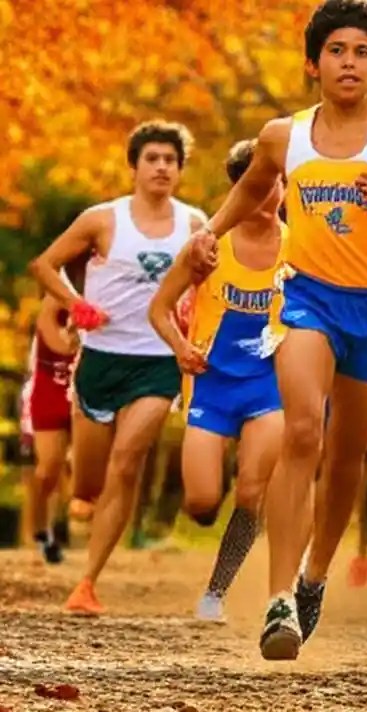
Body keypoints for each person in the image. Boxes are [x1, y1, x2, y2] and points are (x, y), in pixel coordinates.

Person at [188, 0, 367, 660]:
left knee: (347, 458)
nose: (350, 62)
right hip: (306, 299)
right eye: (337, 51)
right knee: (302, 430)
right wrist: (209, 233)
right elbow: (249, 189)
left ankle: (315, 576)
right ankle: (279, 595)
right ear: (313, 63)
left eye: (363, 52)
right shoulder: (282, 136)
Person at [28, 120, 205, 615]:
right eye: (152, 159)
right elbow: (44, 264)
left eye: (171, 160)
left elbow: (214, 277)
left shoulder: (194, 224)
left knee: (127, 462)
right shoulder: (103, 220)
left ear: (180, 170)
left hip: (157, 360)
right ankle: (80, 488)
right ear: (134, 167)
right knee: (87, 484)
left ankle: (87, 583)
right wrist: (75, 302)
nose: (162, 168)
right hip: (101, 360)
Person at [148, 138, 288, 624]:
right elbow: (159, 309)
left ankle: (217, 590)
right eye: (259, 184)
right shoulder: (207, 247)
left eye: (278, 183)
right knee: (203, 502)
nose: (270, 193)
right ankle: (218, 470)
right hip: (211, 385)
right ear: (239, 190)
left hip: (270, 386)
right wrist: (181, 348)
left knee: (252, 493)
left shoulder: (300, 248)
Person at [21, 254, 89, 565]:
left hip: (88, 387)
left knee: (89, 466)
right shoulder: (59, 284)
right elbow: (52, 332)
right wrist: (75, 339)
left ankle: (83, 529)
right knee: (48, 467)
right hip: (51, 386)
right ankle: (40, 530)